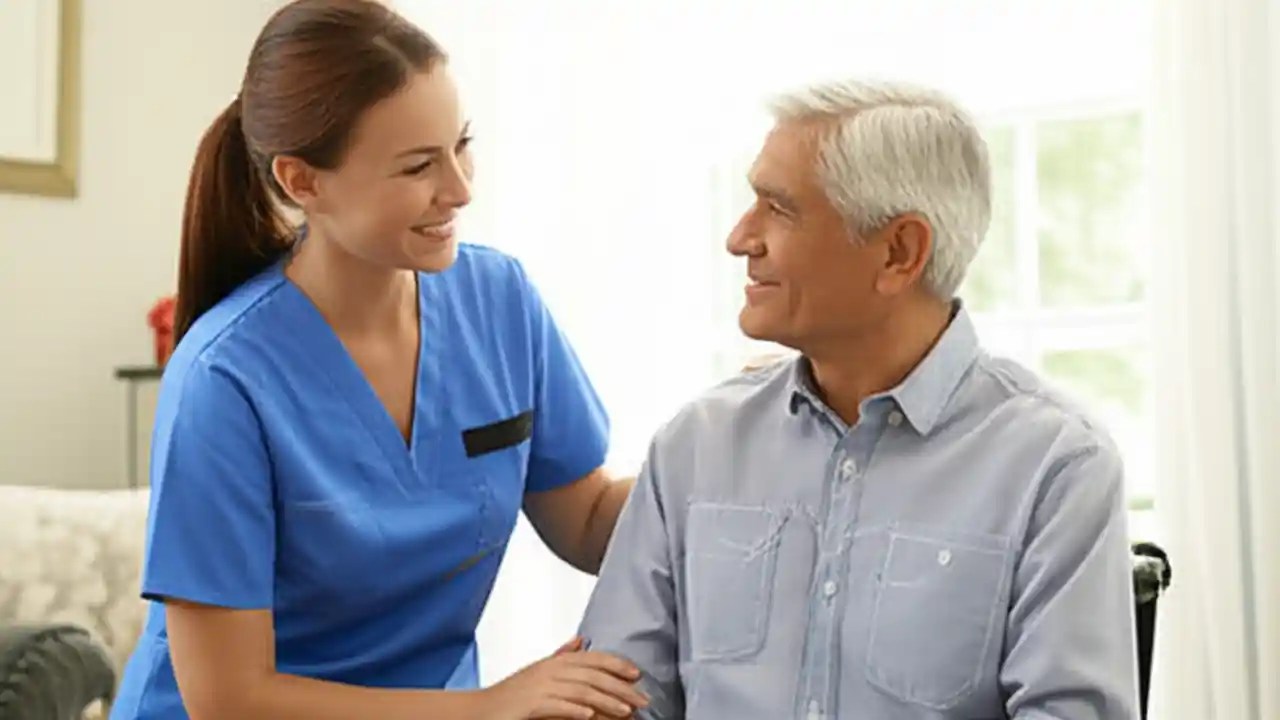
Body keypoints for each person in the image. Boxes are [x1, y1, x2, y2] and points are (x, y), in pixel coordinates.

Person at [110, 2, 649, 718]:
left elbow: (584, 521)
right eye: (419, 166)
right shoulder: (224, 379)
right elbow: (229, 698)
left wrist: (725, 450)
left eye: (463, 146)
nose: (461, 188)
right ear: (303, 182)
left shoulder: (501, 302)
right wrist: (486, 709)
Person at [578, 79, 1139, 719]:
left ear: (899, 252)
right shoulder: (696, 445)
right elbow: (614, 697)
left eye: (779, 208)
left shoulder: (1057, 468)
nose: (740, 237)